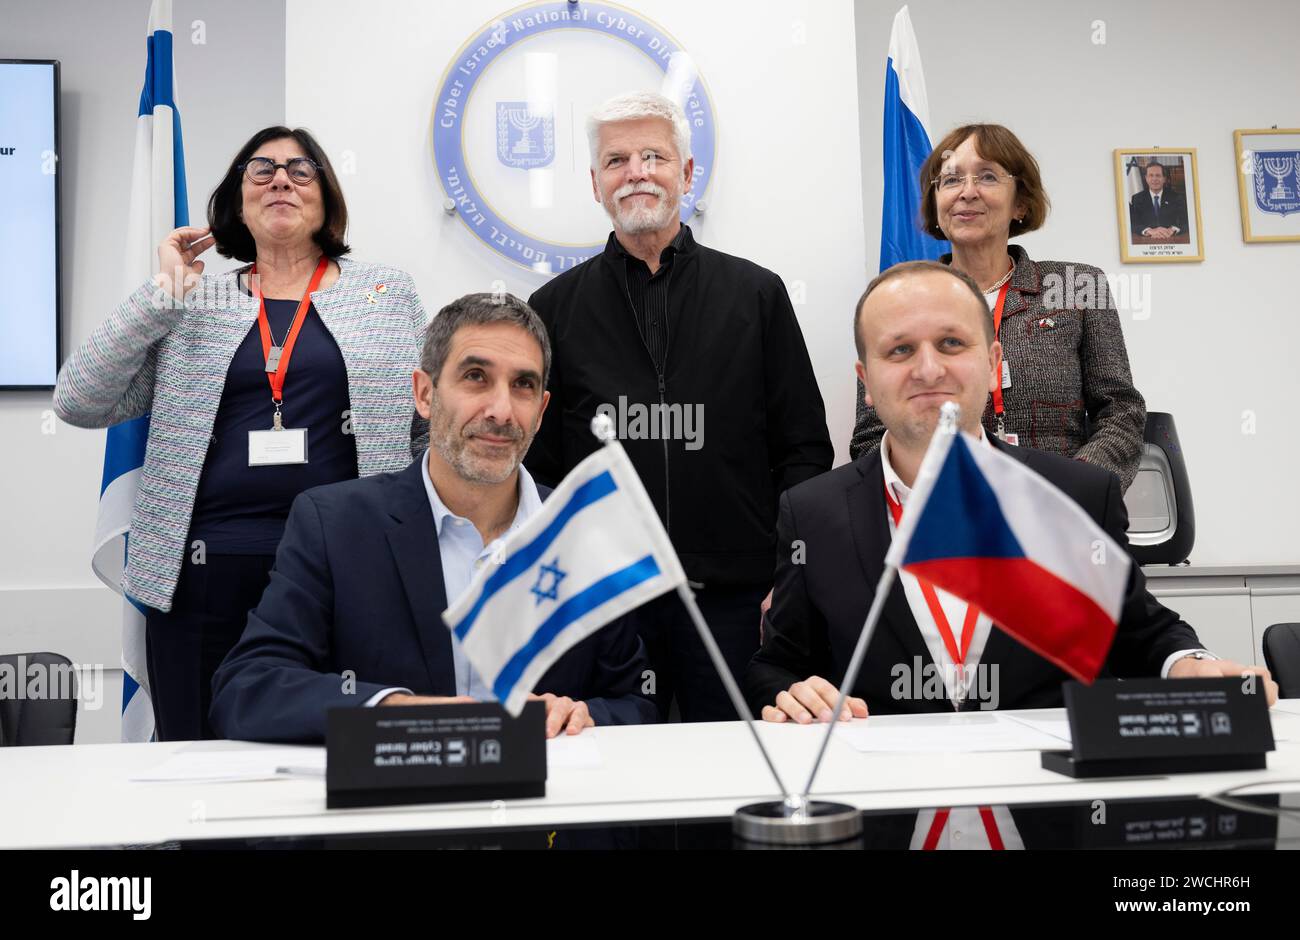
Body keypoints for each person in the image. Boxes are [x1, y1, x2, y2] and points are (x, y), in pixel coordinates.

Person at [747, 261, 1278, 722]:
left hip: (1046, 801)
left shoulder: (1077, 495)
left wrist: (1192, 667)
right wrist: (790, 693)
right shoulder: (811, 512)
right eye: (901, 349)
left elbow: (1140, 633)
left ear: (994, 362)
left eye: (951, 343)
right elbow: (779, 664)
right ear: (866, 379)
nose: (929, 368)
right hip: (892, 805)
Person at [53, 126, 429, 741]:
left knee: (336, 756)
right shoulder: (190, 302)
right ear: (236, 202)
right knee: (199, 760)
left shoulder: (387, 294)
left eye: (301, 170)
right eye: (261, 170)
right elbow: (77, 398)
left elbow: (421, 432)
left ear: (327, 199)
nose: (281, 179)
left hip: (344, 567)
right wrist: (164, 289)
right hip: (202, 569)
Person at [210, 293, 657, 743]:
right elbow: (248, 687)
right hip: (400, 806)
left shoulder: (583, 532)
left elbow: (637, 701)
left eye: (522, 385)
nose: (501, 411)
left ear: (541, 412)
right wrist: (396, 711)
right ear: (425, 394)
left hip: (544, 803)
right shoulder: (334, 524)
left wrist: (583, 715)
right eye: (476, 377)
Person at [524, 92, 833, 722]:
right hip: (605, 598)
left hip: (738, 598)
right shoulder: (552, 307)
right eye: (616, 160)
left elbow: (803, 448)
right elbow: (540, 466)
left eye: (653, 156)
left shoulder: (757, 294)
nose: (636, 171)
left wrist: (788, 573)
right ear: (595, 184)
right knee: (609, 770)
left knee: (728, 779)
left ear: (687, 174)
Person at [850, 124, 1147, 492]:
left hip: (1059, 513)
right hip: (938, 512)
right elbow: (871, 434)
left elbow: (1121, 412)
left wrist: (1074, 490)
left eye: (987, 177)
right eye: (951, 180)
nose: (967, 192)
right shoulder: (897, 299)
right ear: (936, 204)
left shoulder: (1078, 288)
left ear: (1020, 202)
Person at [1129, 160, 1189, 240]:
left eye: (1158, 175)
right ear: (1146, 178)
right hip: (1146, 241)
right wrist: (1149, 231)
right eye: (1151, 175)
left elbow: (1186, 222)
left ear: (1164, 179)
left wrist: (1172, 230)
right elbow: (1133, 223)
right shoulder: (1137, 198)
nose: (1154, 179)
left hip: (1172, 239)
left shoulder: (1177, 198)